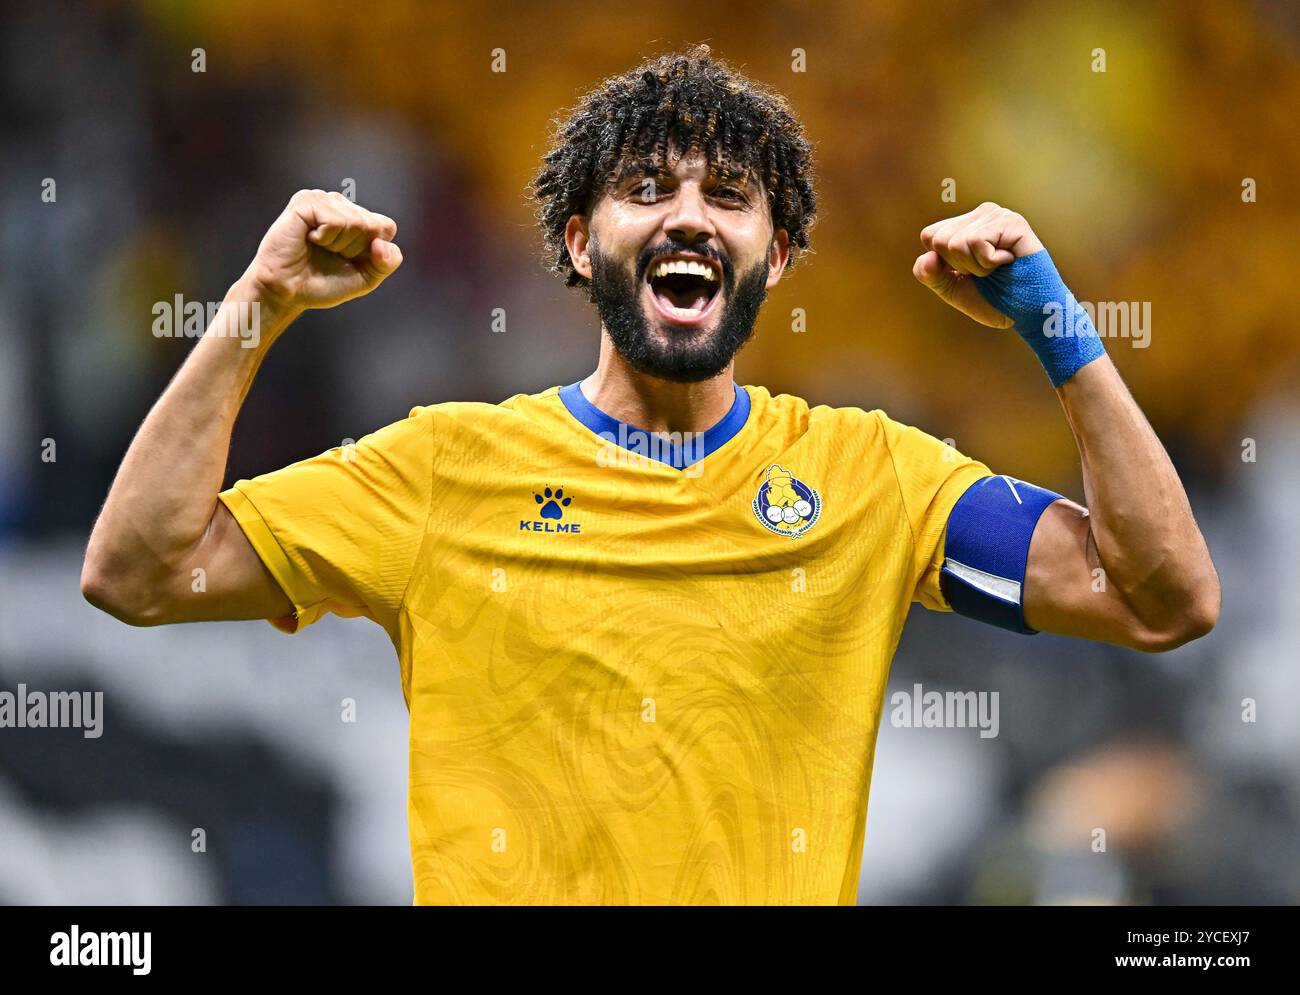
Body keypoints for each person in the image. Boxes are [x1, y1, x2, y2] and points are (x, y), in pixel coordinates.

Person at [81, 45, 1219, 904]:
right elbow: (140, 570)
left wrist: (1059, 332)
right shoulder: (442, 466)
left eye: (730, 196)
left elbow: (1159, 596)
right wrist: (256, 305)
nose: (690, 214)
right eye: (647, 188)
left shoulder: (872, 477)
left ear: (775, 254)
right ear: (580, 243)